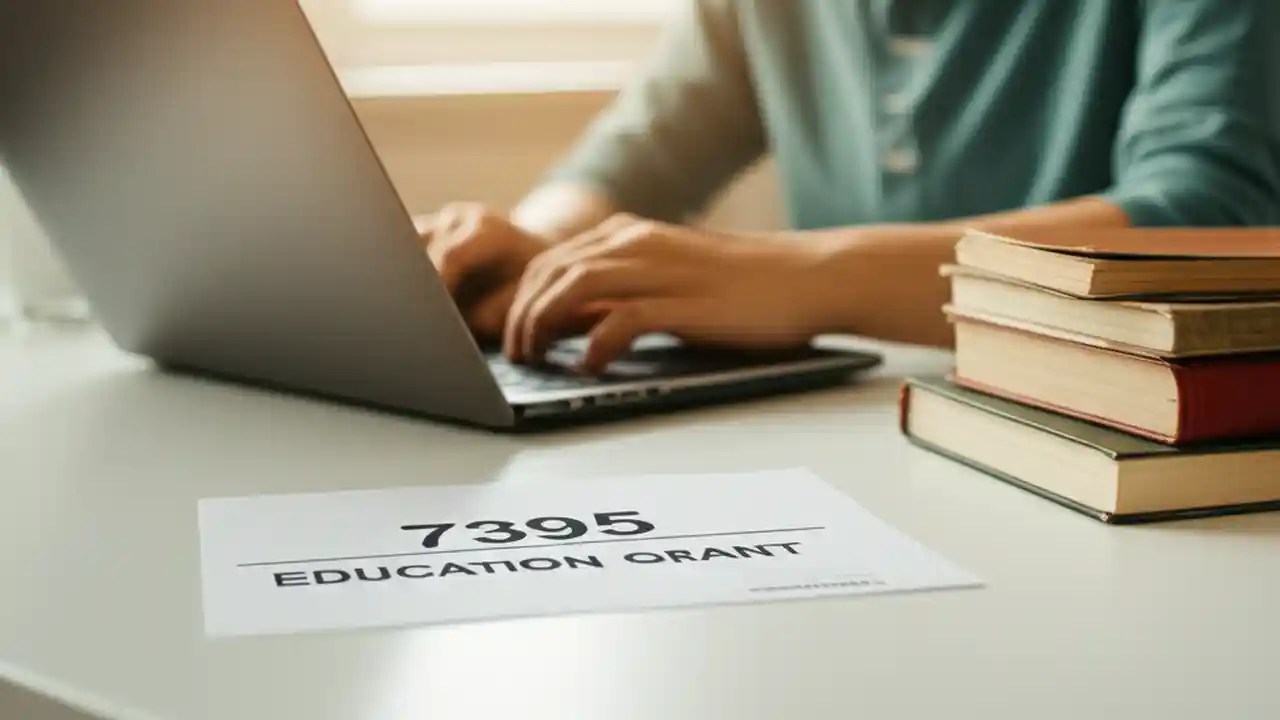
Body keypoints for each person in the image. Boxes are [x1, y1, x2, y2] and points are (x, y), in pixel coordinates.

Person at [421, 1, 1279, 374]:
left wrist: (806, 280)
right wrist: (526, 250)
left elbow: (1209, 216)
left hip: (1107, 448)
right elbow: (630, 163)